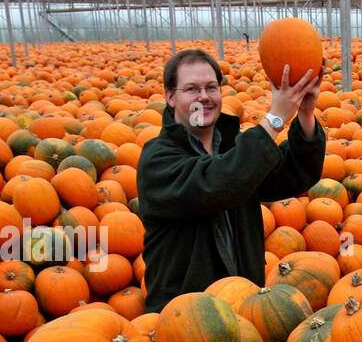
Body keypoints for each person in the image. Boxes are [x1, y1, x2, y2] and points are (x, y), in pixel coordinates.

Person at [135, 48, 326, 313]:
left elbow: (290, 177)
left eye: (211, 88)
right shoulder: (157, 160)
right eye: (192, 89)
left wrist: (305, 114)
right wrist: (275, 119)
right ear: (170, 97)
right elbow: (215, 183)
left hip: (245, 305)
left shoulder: (234, 150)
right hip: (186, 318)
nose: (204, 96)